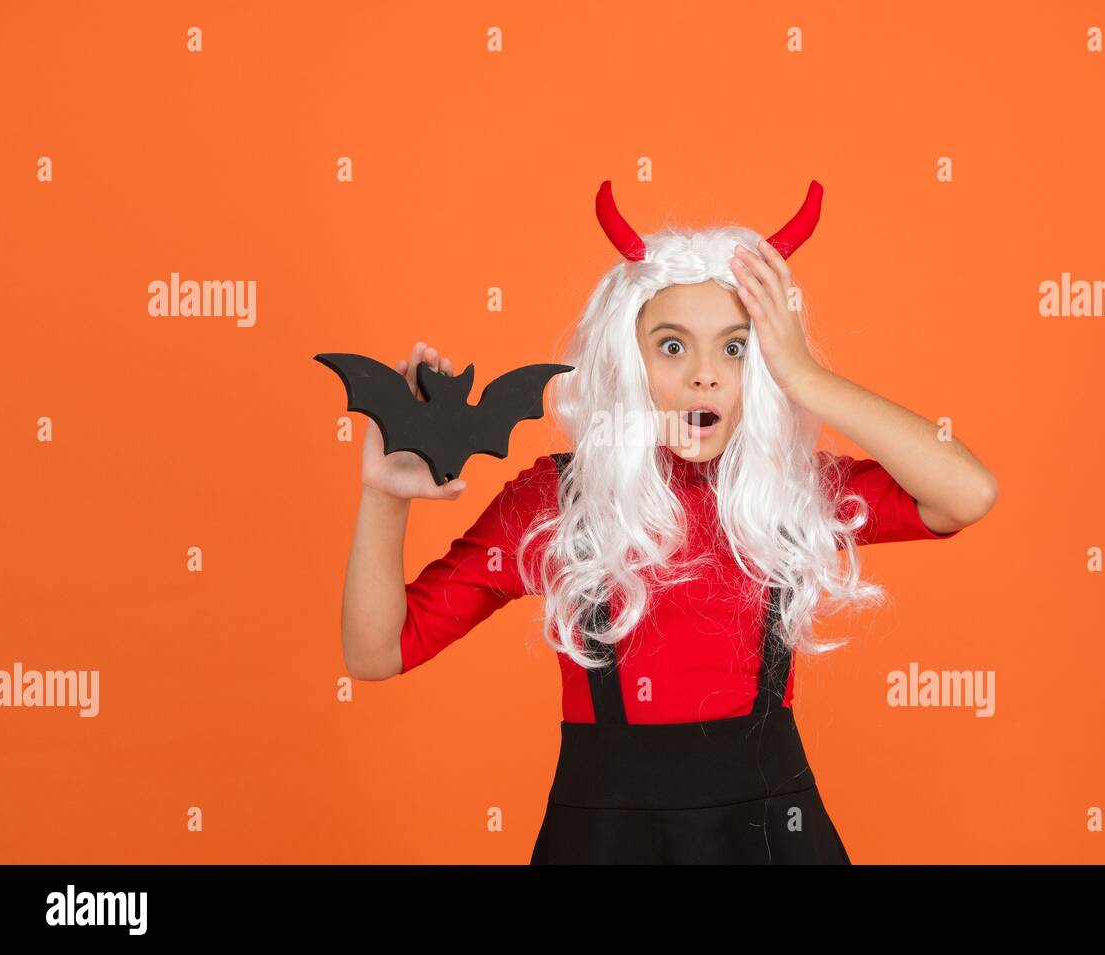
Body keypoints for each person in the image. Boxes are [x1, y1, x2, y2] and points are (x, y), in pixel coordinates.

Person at [339, 179, 998, 864]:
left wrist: (808, 379)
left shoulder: (791, 494)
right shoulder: (557, 503)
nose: (705, 375)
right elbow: (377, 650)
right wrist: (385, 497)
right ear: (629, 362)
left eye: (735, 348)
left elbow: (968, 492)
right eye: (673, 346)